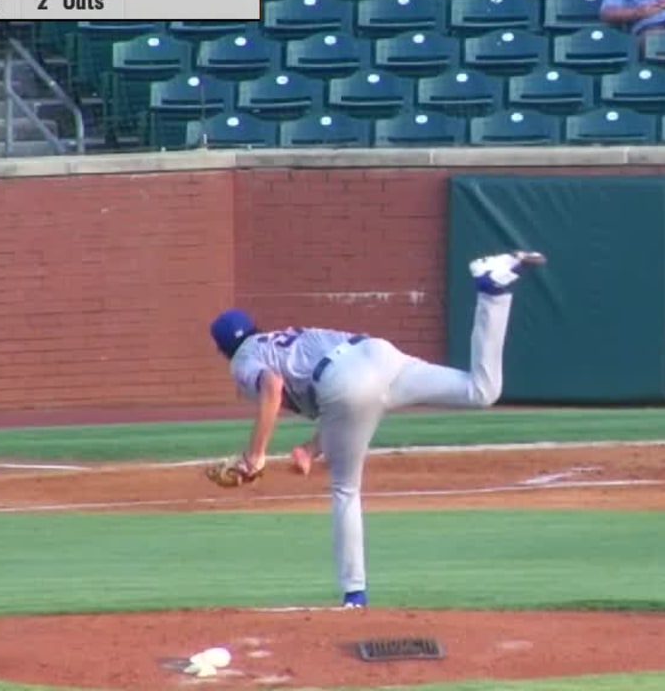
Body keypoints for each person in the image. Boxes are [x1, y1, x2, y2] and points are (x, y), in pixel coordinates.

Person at [207, 249, 546, 608]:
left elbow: (273, 386)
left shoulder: (243, 360)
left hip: (345, 381)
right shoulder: (283, 338)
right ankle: (493, 292)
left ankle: (355, 595)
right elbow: (342, 402)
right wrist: (311, 448)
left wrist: (254, 457)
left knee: (345, 490)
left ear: (222, 351)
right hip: (378, 354)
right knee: (481, 390)